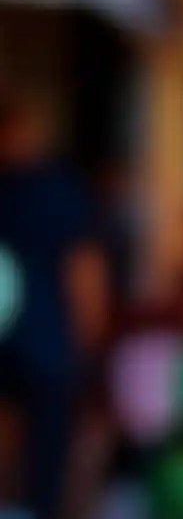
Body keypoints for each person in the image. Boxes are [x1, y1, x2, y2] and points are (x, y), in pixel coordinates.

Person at [0, 90, 109, 517]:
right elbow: (85, 275)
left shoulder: (50, 189)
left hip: (39, 346)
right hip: (47, 348)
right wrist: (90, 344)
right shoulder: (58, 190)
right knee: (44, 469)